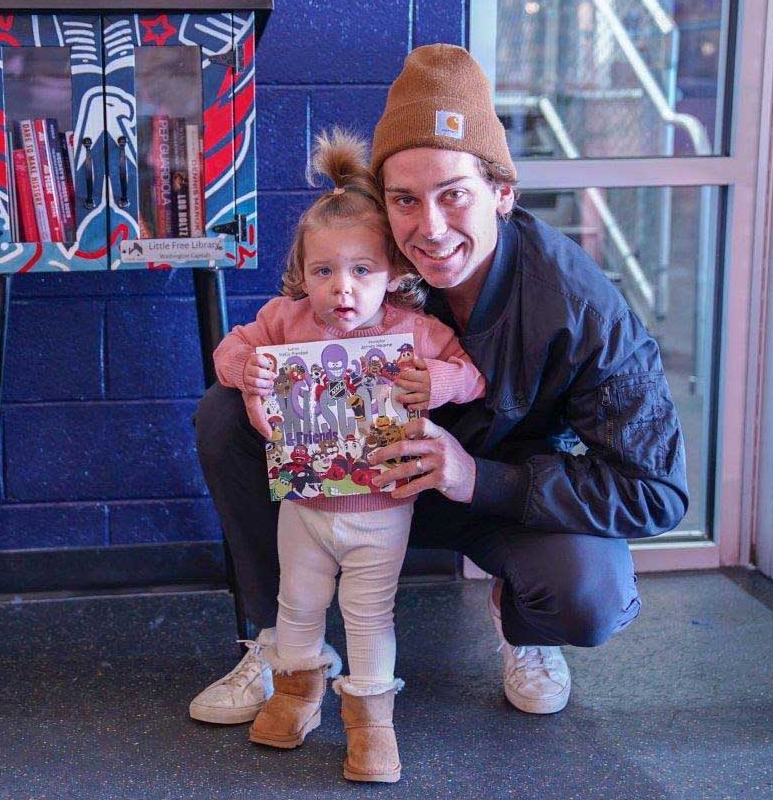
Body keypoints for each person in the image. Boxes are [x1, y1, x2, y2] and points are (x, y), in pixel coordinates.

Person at [189, 44, 688, 730]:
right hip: (349, 480)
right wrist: (255, 372)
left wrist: (480, 478)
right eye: (405, 199)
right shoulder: (363, 259)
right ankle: (282, 645)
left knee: (586, 595)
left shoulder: (579, 308)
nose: (429, 227)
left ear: (502, 193)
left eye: (454, 194)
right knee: (223, 415)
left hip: (490, 493)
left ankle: (522, 624)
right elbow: (268, 338)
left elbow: (654, 491)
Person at [204, 129, 486, 782]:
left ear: (395, 273)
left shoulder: (412, 330)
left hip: (381, 510)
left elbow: (471, 374)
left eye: (362, 270)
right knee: (297, 606)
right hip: (304, 506)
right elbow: (228, 351)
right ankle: (295, 698)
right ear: (301, 273)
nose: (342, 289)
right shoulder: (286, 319)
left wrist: (438, 383)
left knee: (368, 616)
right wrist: (248, 371)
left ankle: (372, 726)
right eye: (323, 271)